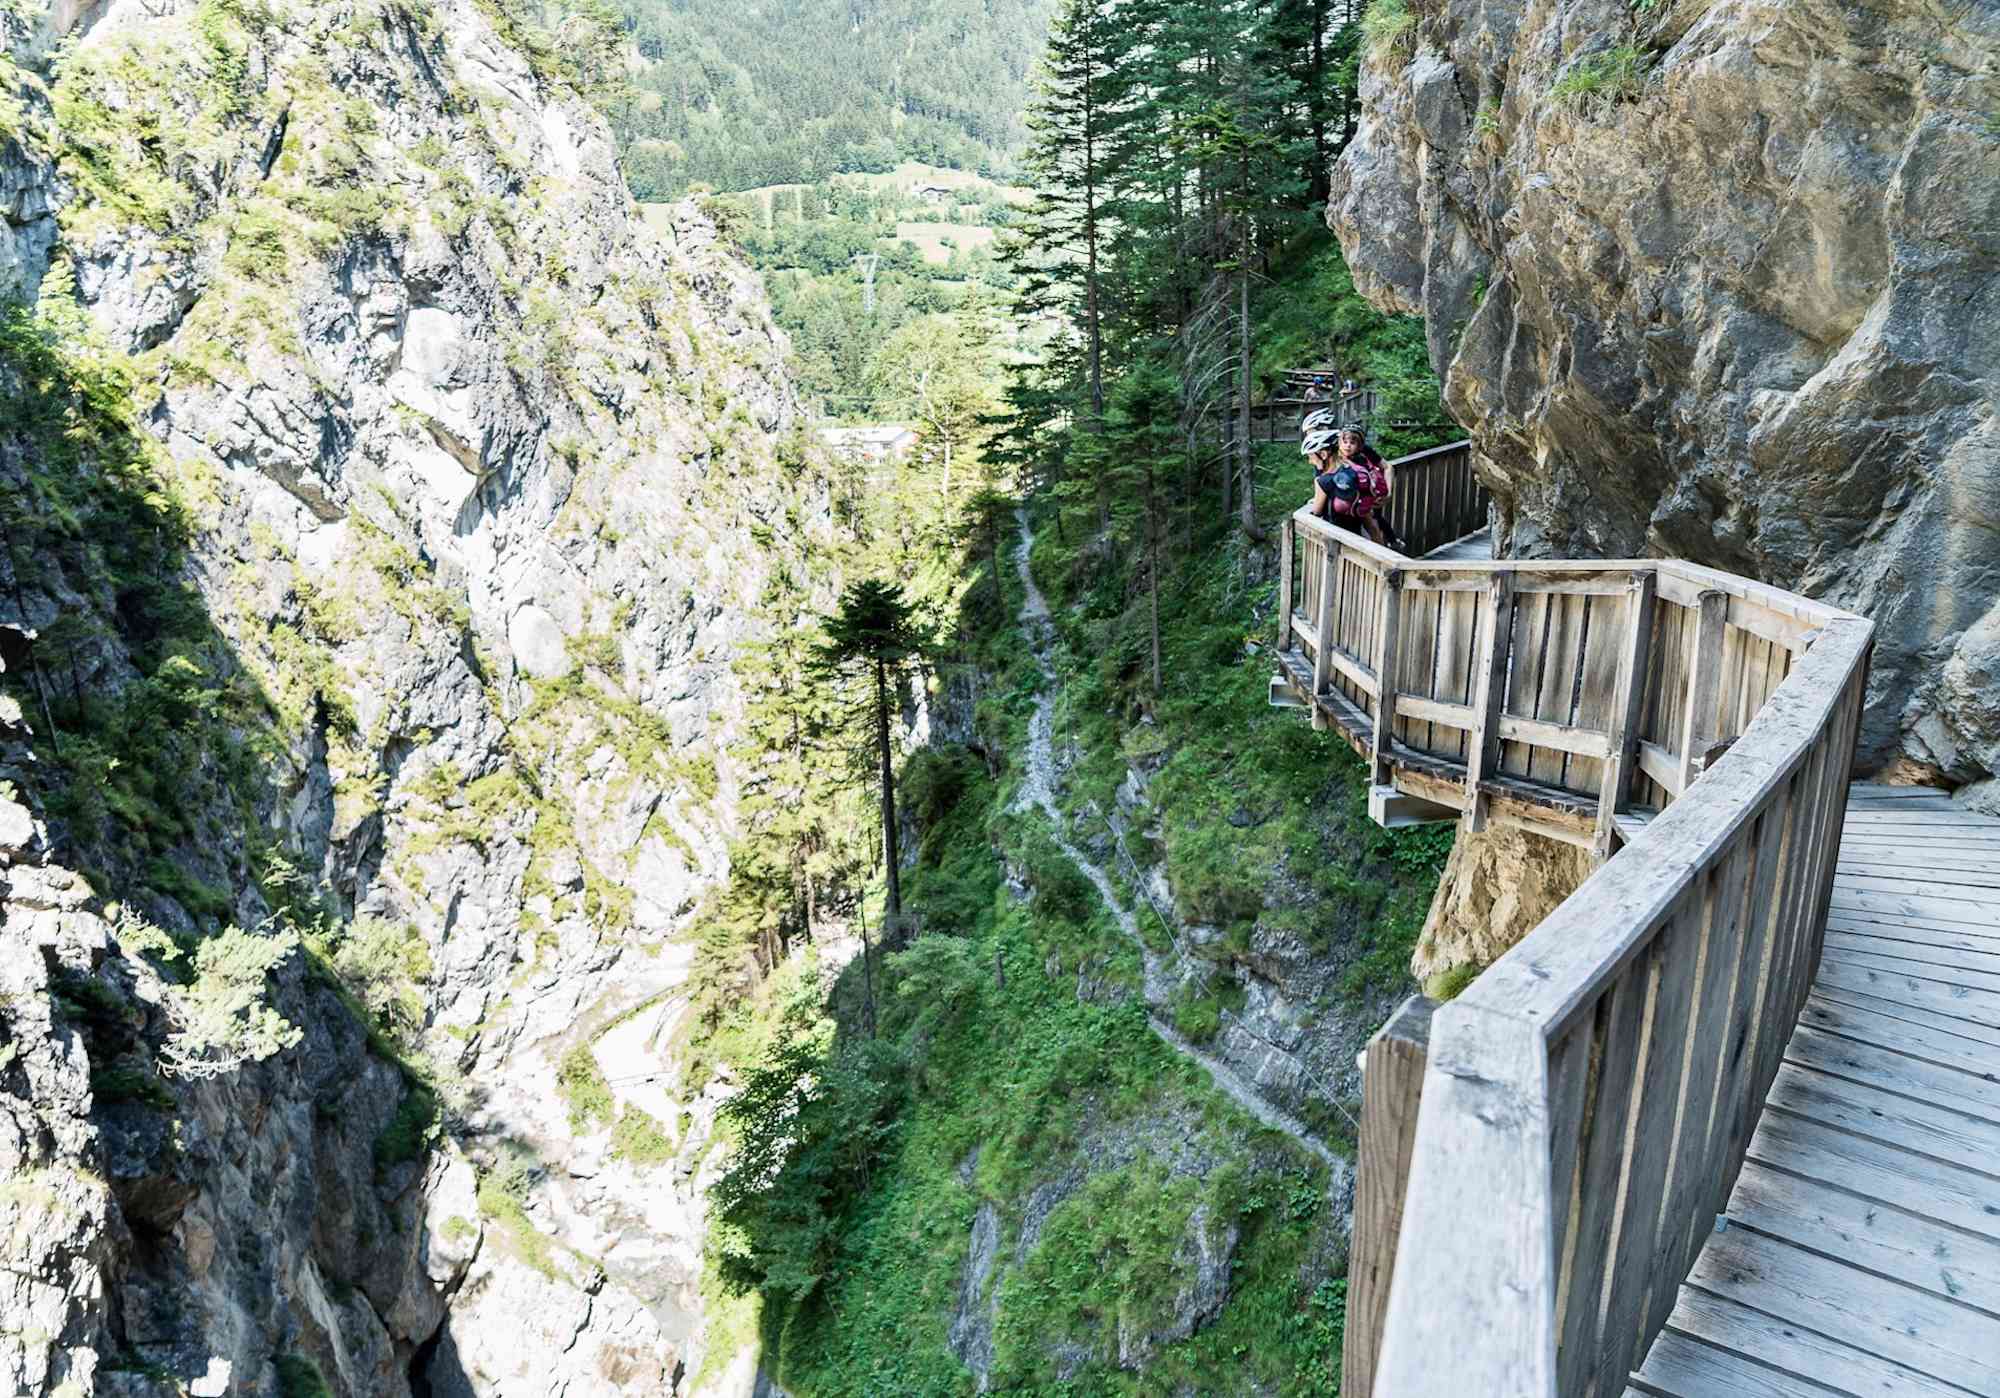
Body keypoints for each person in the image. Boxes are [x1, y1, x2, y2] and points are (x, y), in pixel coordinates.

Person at [1340, 427, 1403, 551]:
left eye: (1352, 443)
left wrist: (1389, 492)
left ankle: (1387, 549)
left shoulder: (1363, 455)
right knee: (1372, 526)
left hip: (1368, 498)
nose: (1348, 446)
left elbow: (1387, 467)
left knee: (1374, 525)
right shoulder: (1336, 455)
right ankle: (1391, 543)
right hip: (1353, 503)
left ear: (1359, 445)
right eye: (1345, 442)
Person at [1304, 427, 1368, 535]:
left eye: (1311, 457)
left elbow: (1316, 512)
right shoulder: (1348, 470)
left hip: (1336, 539)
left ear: (1323, 455)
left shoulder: (1324, 481)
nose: (1310, 461)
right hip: (1355, 534)